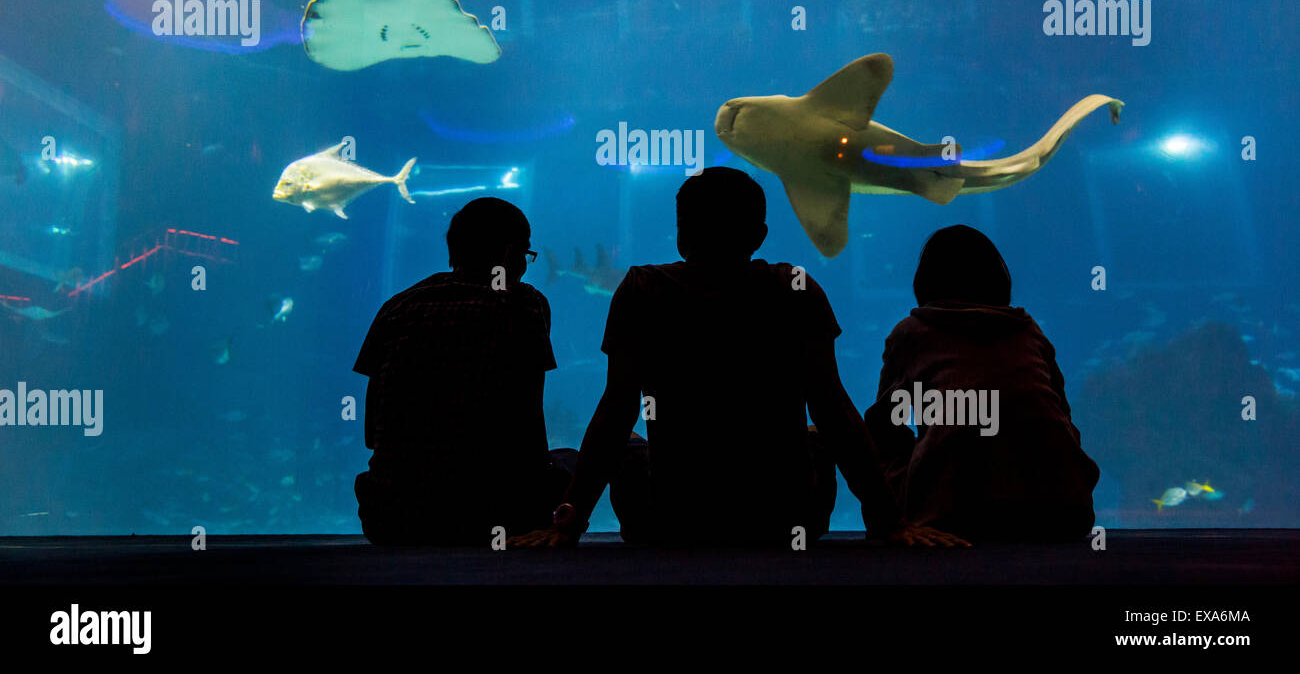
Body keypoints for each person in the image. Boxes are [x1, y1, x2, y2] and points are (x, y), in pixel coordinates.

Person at [510, 168, 967, 549]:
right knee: (816, 432)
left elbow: (616, 410)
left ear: (681, 232)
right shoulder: (796, 288)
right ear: (760, 235)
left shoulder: (642, 289)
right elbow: (834, 410)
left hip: (669, 526)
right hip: (786, 523)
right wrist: (889, 521)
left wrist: (568, 522)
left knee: (624, 441)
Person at [352, 197, 573, 545]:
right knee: (571, 461)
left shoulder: (397, 306)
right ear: (507, 253)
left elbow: (370, 432)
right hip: (497, 518)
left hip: (390, 518)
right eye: (525, 254)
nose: (526, 266)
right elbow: (528, 420)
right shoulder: (524, 304)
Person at [863, 225, 1100, 541]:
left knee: (875, 439)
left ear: (924, 282)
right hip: (1064, 512)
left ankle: (901, 524)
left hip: (951, 515)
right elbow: (1064, 416)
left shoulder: (910, 333)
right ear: (999, 279)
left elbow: (884, 428)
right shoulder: (1029, 331)